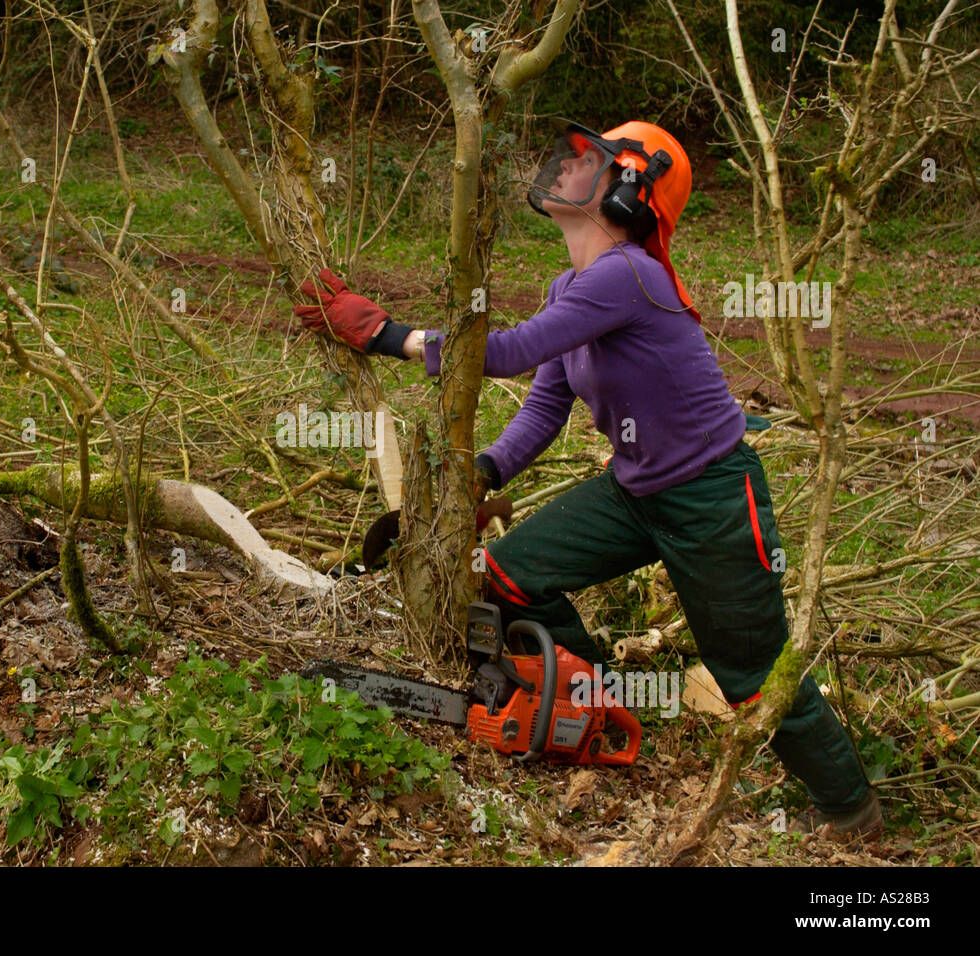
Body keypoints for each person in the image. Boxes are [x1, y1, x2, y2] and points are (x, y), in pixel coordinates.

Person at [293, 119, 881, 838]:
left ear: (631, 194)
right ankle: (595, 700)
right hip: (634, 494)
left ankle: (852, 813)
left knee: (751, 678)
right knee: (508, 574)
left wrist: (389, 335)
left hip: (713, 498)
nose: (568, 170)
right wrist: (481, 475)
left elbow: (501, 354)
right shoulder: (570, 283)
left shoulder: (628, 274)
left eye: (590, 164)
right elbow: (544, 404)